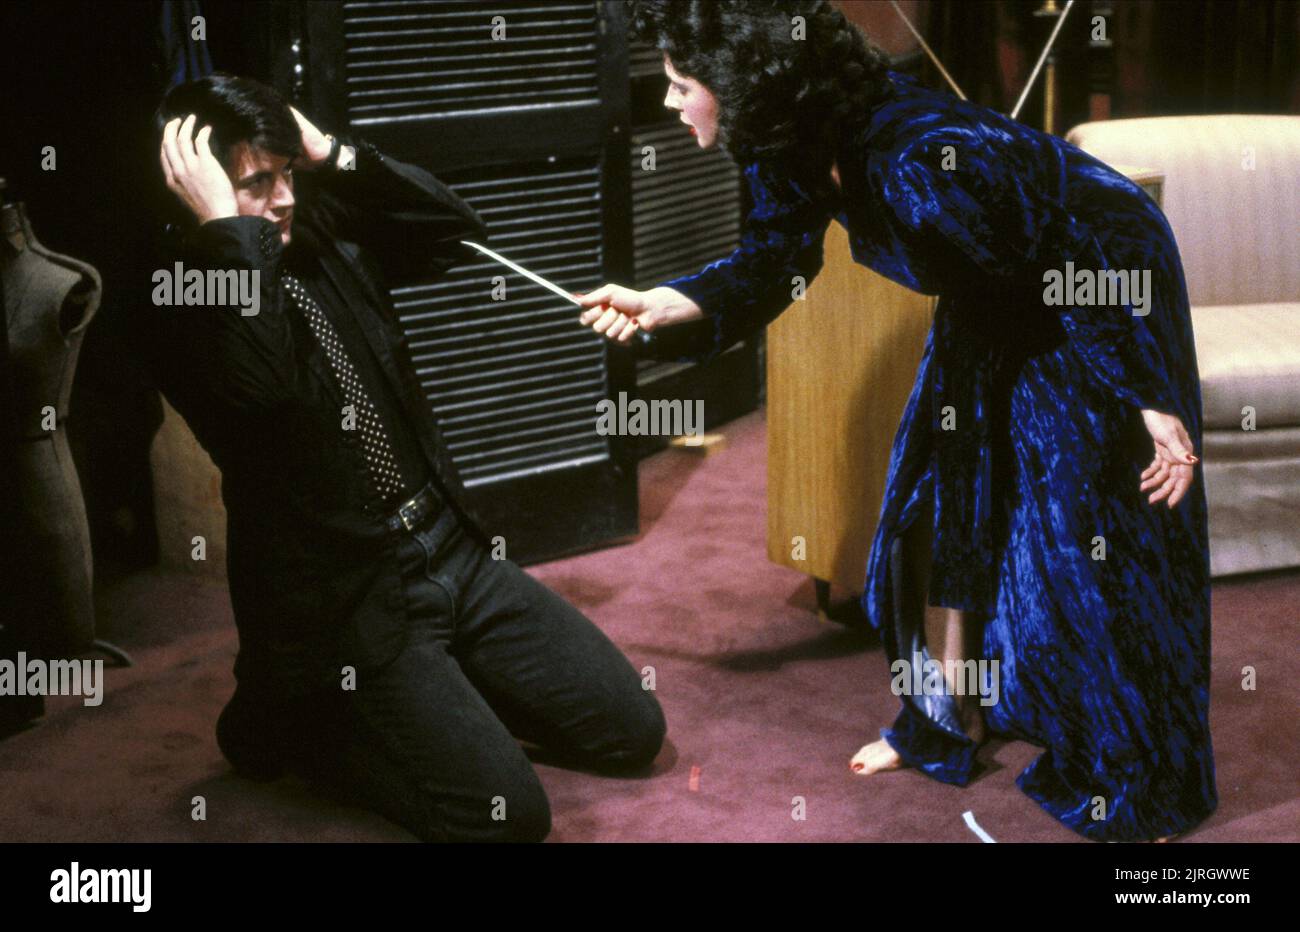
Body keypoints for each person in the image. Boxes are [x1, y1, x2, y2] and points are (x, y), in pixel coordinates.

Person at [578, 0, 1215, 843]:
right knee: (945, 492)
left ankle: (1146, 773)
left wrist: (1151, 393)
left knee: (1088, 513)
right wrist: (666, 302)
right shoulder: (788, 144)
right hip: (999, 281)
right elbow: (774, 260)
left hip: (1102, 278)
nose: (669, 103)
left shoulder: (920, 163)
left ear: (740, 88)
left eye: (680, 85)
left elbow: (1072, 252)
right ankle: (949, 717)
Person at [142, 73, 664, 842]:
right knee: (506, 818)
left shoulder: (314, 228)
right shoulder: (178, 296)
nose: (285, 199)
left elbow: (451, 225)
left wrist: (332, 153)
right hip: (354, 600)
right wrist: (229, 234)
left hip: (452, 552)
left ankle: (433, 694)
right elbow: (272, 394)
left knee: (631, 731)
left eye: (288, 175)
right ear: (200, 191)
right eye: (258, 183)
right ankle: (299, 721)